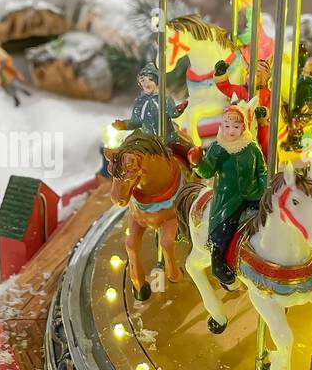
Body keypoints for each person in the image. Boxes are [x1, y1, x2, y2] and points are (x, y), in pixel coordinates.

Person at [188, 98, 267, 288]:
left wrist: (265, 188)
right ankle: (218, 260)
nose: (230, 131)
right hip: (228, 198)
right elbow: (207, 171)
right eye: (226, 125)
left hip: (254, 194)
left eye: (235, 126)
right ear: (221, 126)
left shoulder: (251, 147)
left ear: (243, 127)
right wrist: (198, 162)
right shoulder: (218, 148)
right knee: (224, 229)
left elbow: (262, 171)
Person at [112, 63, 175, 138]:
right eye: (143, 80)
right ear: (140, 83)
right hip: (147, 138)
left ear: (157, 81)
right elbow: (136, 121)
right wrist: (124, 125)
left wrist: (178, 110)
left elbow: (172, 113)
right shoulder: (140, 101)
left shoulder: (165, 98)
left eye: (150, 80)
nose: (146, 83)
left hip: (166, 137)